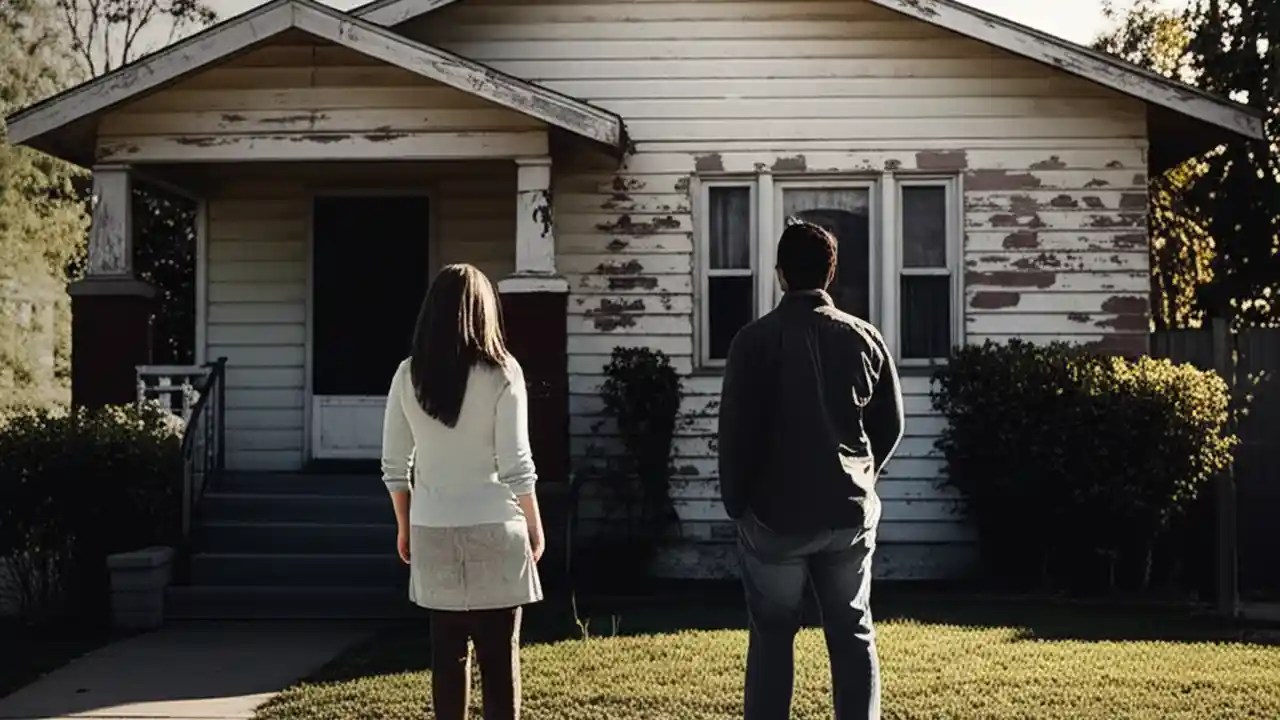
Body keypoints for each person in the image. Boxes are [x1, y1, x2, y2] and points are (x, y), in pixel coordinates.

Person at [718, 221, 905, 720]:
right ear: (832, 272)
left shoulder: (751, 342)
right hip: (847, 514)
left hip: (774, 517)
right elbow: (891, 424)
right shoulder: (865, 337)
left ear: (779, 274)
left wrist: (738, 504)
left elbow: (735, 434)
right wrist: (865, 474)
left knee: (773, 636)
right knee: (852, 631)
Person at [381, 263, 544, 720]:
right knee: (500, 667)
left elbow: (395, 467)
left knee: (446, 666)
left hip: (432, 528)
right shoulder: (503, 372)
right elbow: (516, 463)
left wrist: (404, 525)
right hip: (497, 527)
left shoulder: (408, 375)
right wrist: (534, 525)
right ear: (483, 311)